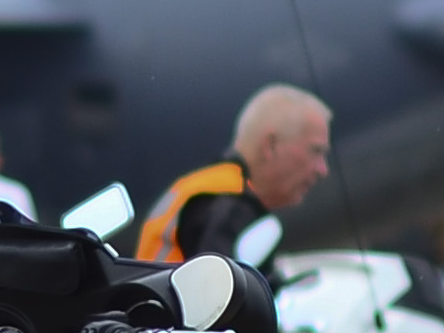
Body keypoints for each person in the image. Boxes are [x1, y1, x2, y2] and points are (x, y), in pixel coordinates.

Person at [140, 84, 334, 266]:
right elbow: (221, 297)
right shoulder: (228, 207)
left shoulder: (207, 187)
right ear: (271, 146)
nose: (322, 170)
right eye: (315, 151)